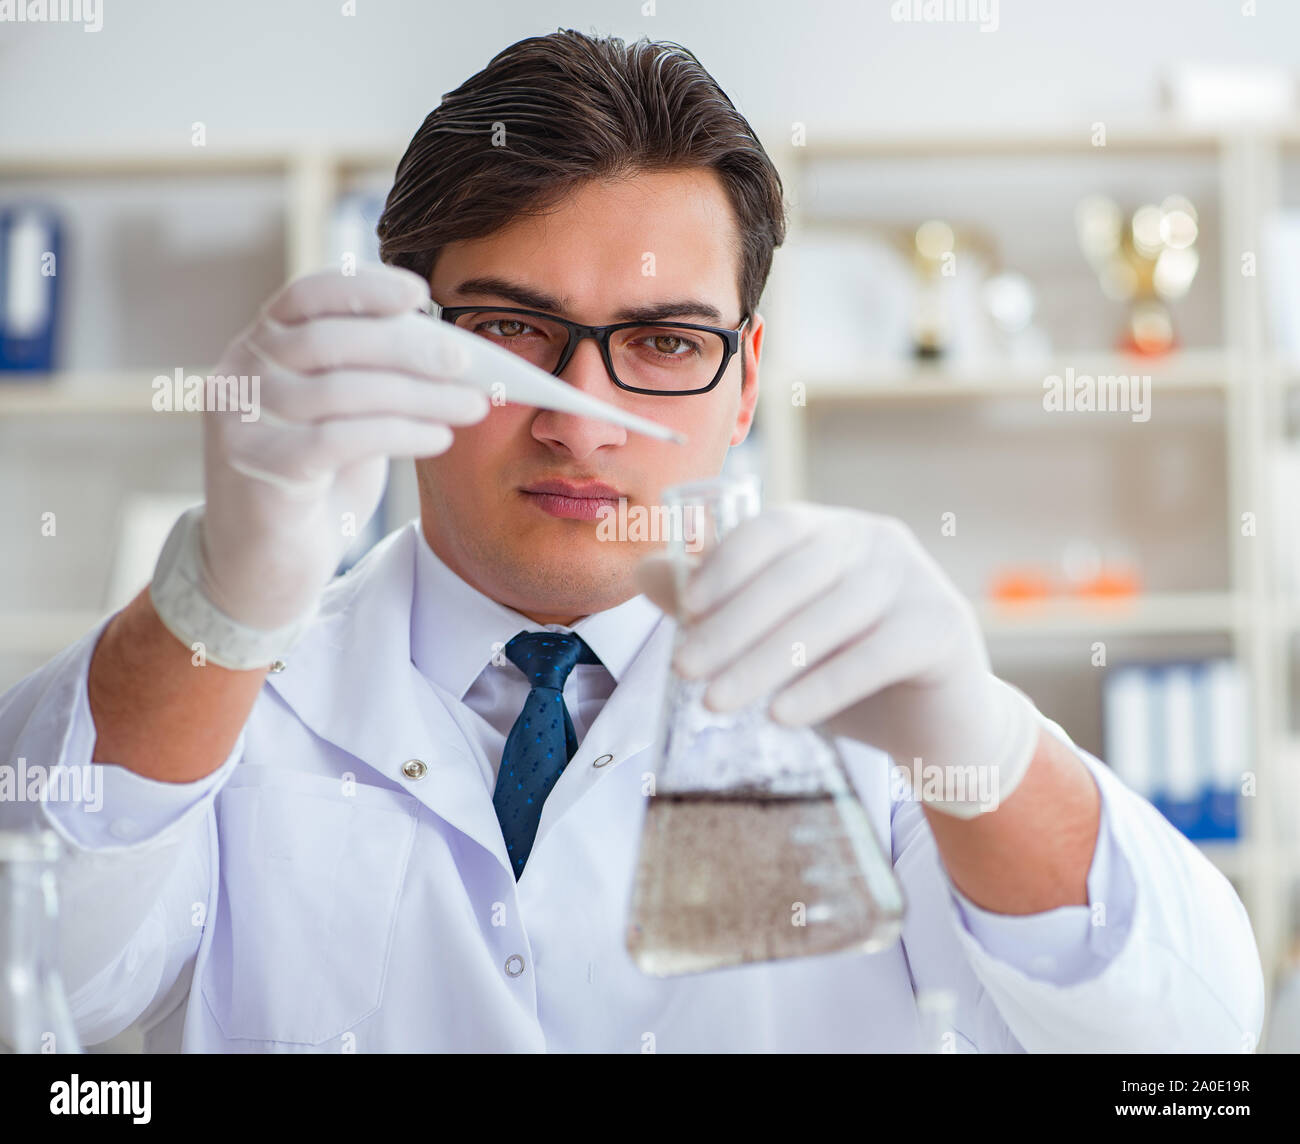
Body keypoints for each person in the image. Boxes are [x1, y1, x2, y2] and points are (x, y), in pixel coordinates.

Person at [0, 28, 1263, 1052]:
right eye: (508, 329)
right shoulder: (230, 702)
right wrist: (215, 607)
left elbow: (1186, 1045)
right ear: (403, 331)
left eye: (664, 341)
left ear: (745, 380)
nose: (583, 423)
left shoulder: (875, 722)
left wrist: (978, 743)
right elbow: (46, 981)